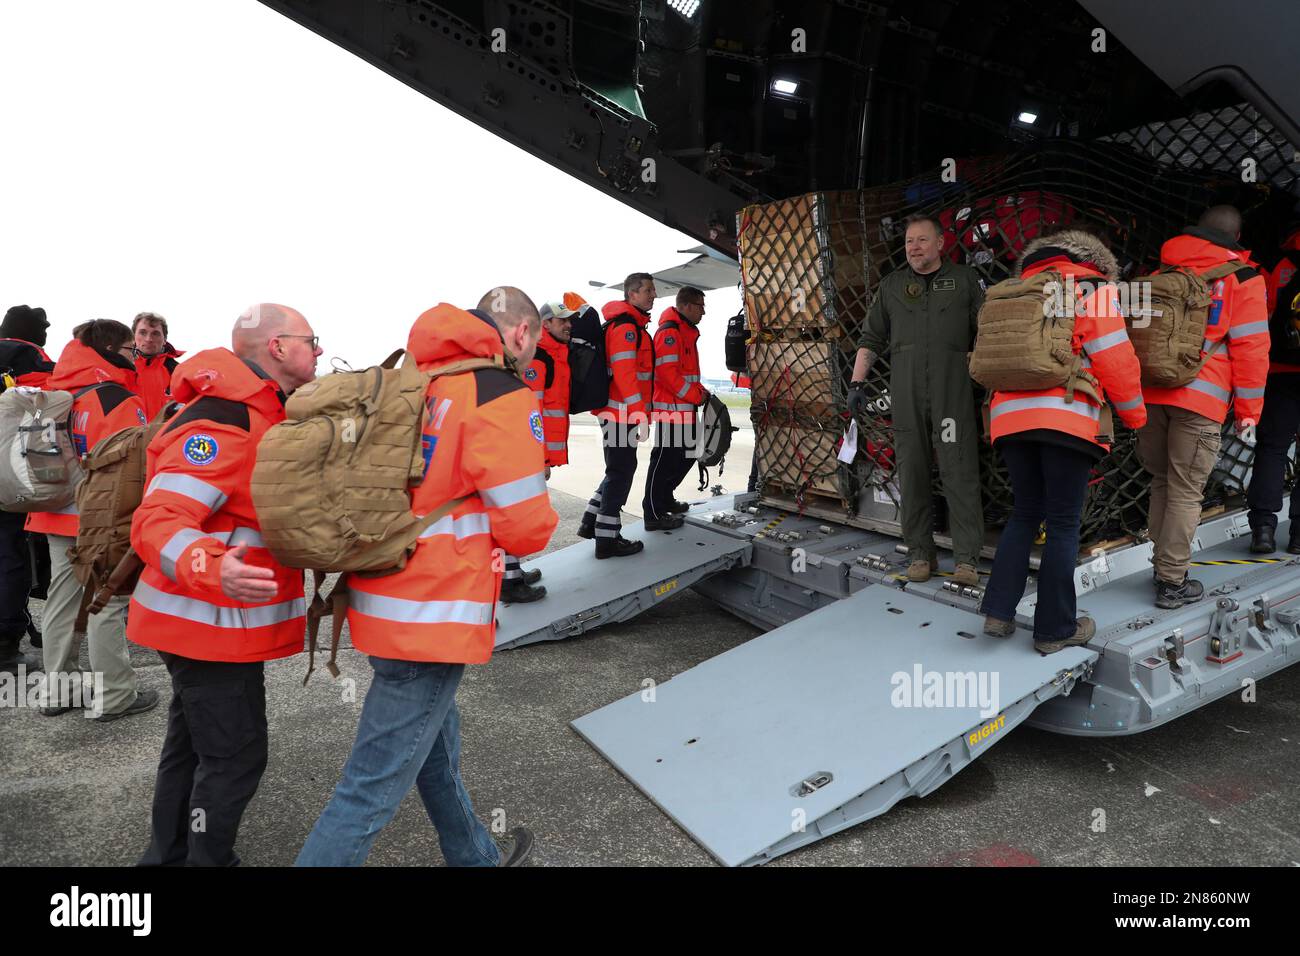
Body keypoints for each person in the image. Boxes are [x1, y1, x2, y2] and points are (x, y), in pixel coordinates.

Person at [297, 288, 557, 867]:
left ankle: (474, 856)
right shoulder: (498, 393)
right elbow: (525, 530)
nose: (531, 353)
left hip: (380, 598)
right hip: (433, 615)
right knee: (368, 789)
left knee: (434, 751)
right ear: (518, 334)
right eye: (535, 342)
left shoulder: (409, 383)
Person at [130, 303, 319, 866]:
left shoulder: (259, 413)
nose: (318, 349)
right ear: (279, 347)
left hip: (210, 626)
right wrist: (213, 567)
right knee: (234, 756)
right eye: (312, 339)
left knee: (191, 748)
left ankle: (166, 858)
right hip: (204, 625)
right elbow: (157, 518)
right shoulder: (224, 419)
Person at [978, 230, 1147, 653]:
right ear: (1095, 260)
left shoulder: (1011, 291)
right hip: (1066, 417)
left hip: (1008, 420)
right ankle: (1054, 630)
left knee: (1023, 515)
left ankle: (998, 613)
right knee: (1063, 524)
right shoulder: (1091, 286)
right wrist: (1135, 416)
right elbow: (1114, 357)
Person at [1138, 206, 1269, 607]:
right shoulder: (1244, 280)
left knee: (1162, 482)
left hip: (1150, 394)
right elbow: (1251, 349)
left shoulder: (1160, 272)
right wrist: (1249, 411)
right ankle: (1173, 581)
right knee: (1185, 491)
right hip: (1201, 398)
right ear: (1236, 237)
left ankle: (1162, 567)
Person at [27, 319, 157, 719]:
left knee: (61, 602)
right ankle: (114, 695)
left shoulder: (54, 391)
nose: (135, 357)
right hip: (101, 517)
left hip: (54, 511)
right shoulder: (117, 398)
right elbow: (133, 467)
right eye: (130, 350)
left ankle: (57, 691)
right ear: (111, 351)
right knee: (107, 600)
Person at [847, 214, 986, 586]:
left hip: (951, 392)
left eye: (922, 240)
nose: (915, 247)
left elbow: (986, 331)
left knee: (960, 473)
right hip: (906, 395)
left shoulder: (965, 280)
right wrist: (857, 383)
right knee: (912, 475)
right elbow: (870, 338)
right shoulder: (892, 286)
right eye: (910, 241)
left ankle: (967, 559)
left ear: (941, 243)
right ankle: (920, 553)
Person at [498, 298, 574, 604]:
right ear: (545, 325)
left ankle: (512, 572)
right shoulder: (539, 359)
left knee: (516, 515)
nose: (569, 325)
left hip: (529, 453)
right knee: (515, 516)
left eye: (570, 320)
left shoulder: (551, 356)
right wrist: (540, 458)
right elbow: (533, 412)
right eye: (563, 320)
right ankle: (509, 581)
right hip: (526, 454)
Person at [579, 273, 656, 558]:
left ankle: (591, 522)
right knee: (621, 473)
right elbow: (625, 375)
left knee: (618, 470)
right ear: (632, 294)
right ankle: (607, 539)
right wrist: (640, 414)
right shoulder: (626, 328)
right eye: (648, 290)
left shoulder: (628, 325)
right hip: (620, 414)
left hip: (618, 413)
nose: (653, 295)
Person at [0, 305, 54, 675]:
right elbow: (49, 410)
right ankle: (6, 646)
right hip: (9, 475)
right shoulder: (29, 357)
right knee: (11, 556)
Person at [1246, 223, 1300, 553]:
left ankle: (1263, 530)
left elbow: (1261, 316)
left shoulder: (1278, 263)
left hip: (1279, 370)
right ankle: (1298, 537)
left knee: (1272, 448)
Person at [643, 286, 710, 529]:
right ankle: (652, 512)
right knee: (662, 463)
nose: (704, 312)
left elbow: (687, 374)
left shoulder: (686, 332)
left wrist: (701, 392)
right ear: (686, 306)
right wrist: (695, 395)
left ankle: (665, 497)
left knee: (688, 455)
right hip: (671, 412)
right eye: (701, 306)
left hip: (686, 410)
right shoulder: (670, 333)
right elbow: (667, 373)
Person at [132, 312, 184, 420]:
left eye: (155, 333)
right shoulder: (120, 369)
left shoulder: (178, 373)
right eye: (143, 332)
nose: (148, 339)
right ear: (133, 337)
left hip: (165, 435)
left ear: (164, 339)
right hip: (129, 435)